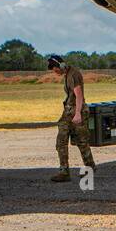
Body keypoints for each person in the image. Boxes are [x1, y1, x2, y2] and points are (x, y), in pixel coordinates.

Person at [48, 54, 95, 183]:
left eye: (55, 69)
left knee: (82, 141)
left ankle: (90, 166)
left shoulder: (73, 74)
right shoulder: (67, 74)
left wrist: (78, 113)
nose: (55, 72)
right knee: (61, 141)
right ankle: (64, 171)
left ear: (61, 65)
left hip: (76, 110)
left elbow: (79, 95)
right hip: (69, 110)